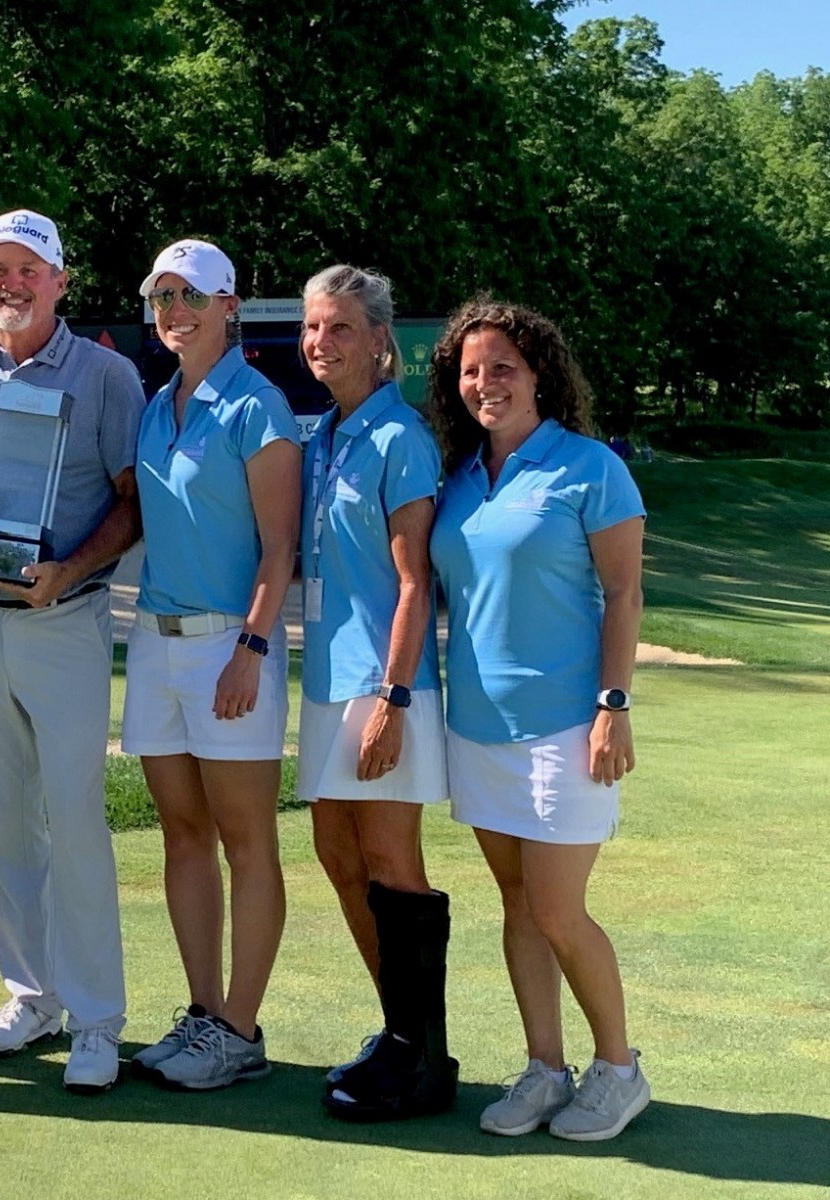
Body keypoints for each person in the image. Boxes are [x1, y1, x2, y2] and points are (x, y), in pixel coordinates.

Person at [427, 297, 650, 1142]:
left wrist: (613, 704)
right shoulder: (458, 480)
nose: (486, 383)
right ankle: (545, 1070)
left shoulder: (590, 467)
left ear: (541, 377)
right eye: (471, 370)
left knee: (558, 911)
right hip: (478, 726)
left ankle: (619, 1070)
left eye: (504, 368)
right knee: (518, 907)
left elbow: (625, 592)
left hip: (566, 723)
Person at [0, 210, 145, 1093]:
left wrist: (67, 572)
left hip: (66, 620)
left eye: (30, 270)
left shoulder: (107, 375)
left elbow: (134, 503)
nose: (12, 284)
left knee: (75, 821)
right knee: (2, 821)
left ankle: (98, 1017)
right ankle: (32, 995)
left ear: (61, 281)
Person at [122, 239, 301, 1090]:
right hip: (155, 645)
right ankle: (202, 1014)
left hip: (234, 646)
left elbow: (280, 549)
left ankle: (241, 1026)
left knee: (245, 840)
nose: (175, 311)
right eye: (163, 296)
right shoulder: (159, 405)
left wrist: (253, 651)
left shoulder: (257, 406)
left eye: (192, 295)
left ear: (230, 306)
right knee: (183, 834)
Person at [294, 266, 456, 1121]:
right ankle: (402, 1032)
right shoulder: (324, 434)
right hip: (326, 679)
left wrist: (393, 697)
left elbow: (411, 584)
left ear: (380, 340)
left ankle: (424, 1058)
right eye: (314, 327)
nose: (321, 342)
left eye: (341, 328)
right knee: (337, 855)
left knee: (393, 864)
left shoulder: (401, 438)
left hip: (383, 684)